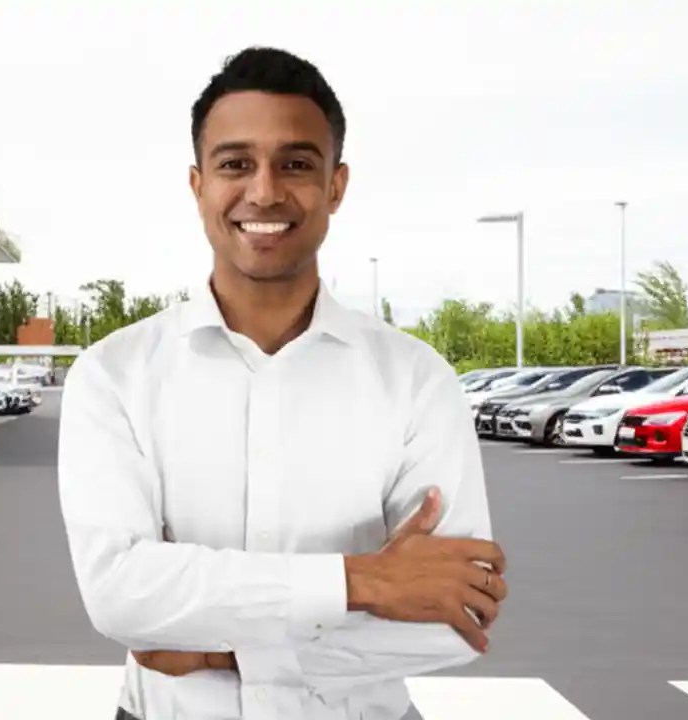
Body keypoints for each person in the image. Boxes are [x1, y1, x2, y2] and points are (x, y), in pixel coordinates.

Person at [57, 46, 507, 720]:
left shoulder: (415, 380)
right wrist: (366, 581)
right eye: (235, 163)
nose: (264, 191)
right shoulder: (114, 375)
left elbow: (453, 616)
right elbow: (121, 594)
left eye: (296, 164)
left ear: (336, 185)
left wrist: (223, 651)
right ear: (197, 184)